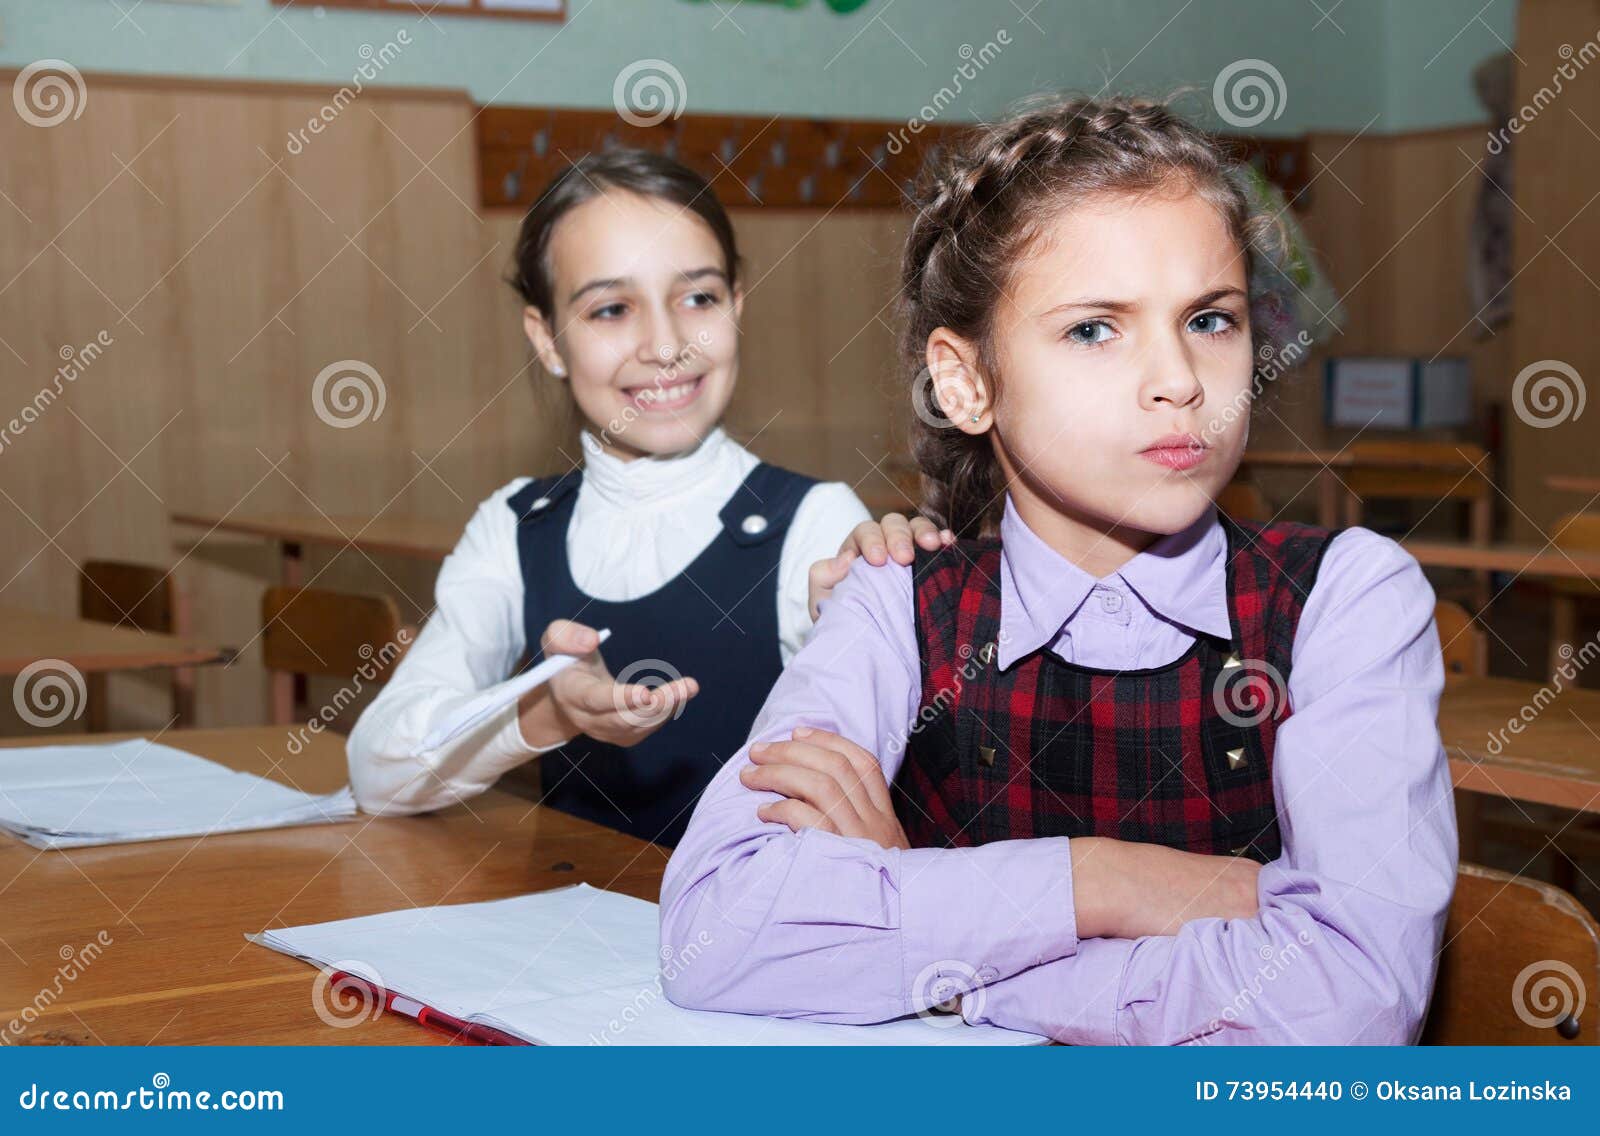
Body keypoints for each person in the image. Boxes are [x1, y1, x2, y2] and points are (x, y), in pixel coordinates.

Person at [658, 94, 1457, 1044]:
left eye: (1210, 319)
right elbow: (713, 932)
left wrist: (945, 960)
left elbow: (1351, 1011)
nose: (1180, 380)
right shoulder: (892, 598)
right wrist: (1108, 881)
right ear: (967, 382)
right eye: (1094, 329)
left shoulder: (1349, 597)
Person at [347, 149, 876, 847]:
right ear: (548, 340)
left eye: (698, 298)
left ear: (737, 303)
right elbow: (376, 771)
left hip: (762, 942)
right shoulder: (515, 526)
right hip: (572, 940)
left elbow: (892, 785)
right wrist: (544, 714)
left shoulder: (816, 523)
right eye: (611, 309)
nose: (665, 344)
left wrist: (875, 638)